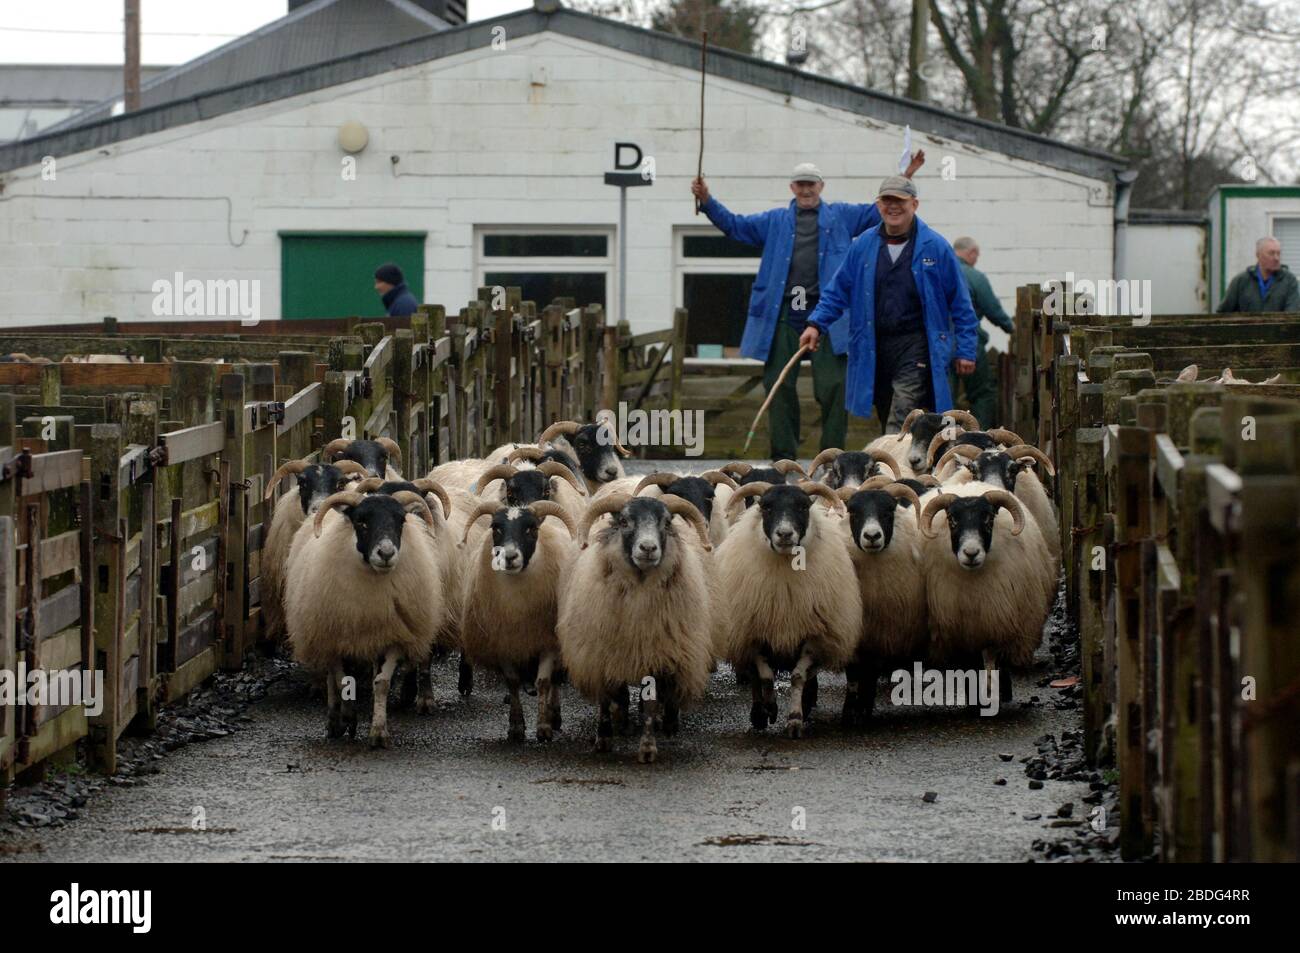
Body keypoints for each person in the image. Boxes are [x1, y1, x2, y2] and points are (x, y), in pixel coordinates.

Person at [690, 152, 924, 460]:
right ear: (792, 188)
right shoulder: (774, 220)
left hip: (829, 316)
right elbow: (735, 226)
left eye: (811, 184)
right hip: (784, 313)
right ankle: (783, 457)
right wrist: (707, 201)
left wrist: (906, 174)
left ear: (821, 186)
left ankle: (831, 456)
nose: (806, 190)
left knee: (834, 386)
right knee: (778, 383)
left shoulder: (841, 216)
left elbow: (880, 210)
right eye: (801, 184)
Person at [798, 176, 978, 433]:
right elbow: (837, 291)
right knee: (885, 411)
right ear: (878, 205)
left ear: (914, 204)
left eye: (900, 201)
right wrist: (815, 324)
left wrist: (966, 350)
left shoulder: (936, 247)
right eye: (886, 200)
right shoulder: (863, 245)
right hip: (874, 345)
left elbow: (960, 303)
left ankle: (892, 469)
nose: (893, 207)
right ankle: (911, 466)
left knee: (901, 411)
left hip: (917, 345)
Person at [951, 236, 1015, 428]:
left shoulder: (940, 272)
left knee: (945, 395)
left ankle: (945, 440)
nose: (976, 260)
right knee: (983, 393)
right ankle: (978, 436)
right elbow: (992, 309)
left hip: (941, 342)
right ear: (971, 253)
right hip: (970, 342)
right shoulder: (974, 277)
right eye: (976, 256)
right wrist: (1011, 327)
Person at [1217, 237, 1299, 312]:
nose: (1276, 258)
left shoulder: (1289, 281)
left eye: (1278, 253)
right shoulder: (1241, 281)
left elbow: (1291, 314)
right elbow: (1222, 313)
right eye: (1271, 253)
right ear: (1258, 255)